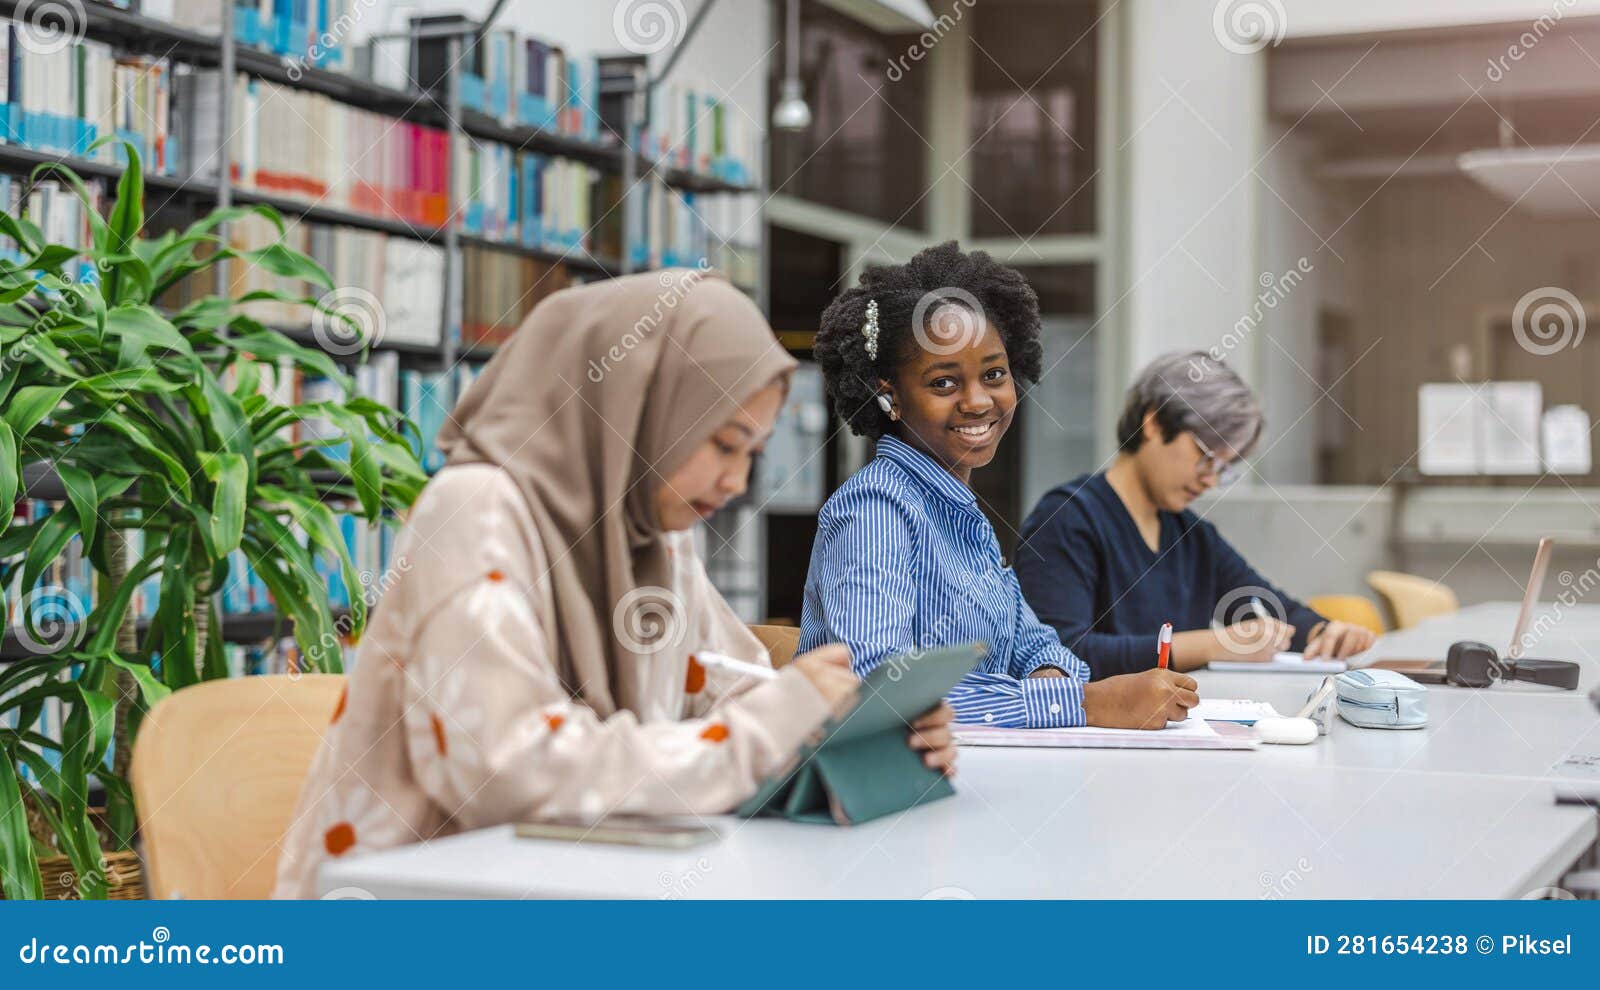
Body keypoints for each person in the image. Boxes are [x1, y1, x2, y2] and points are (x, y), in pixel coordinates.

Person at [273, 271, 957, 898]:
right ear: (637, 408)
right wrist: (772, 725)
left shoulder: (654, 536)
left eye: (753, 452)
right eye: (722, 443)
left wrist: (858, 730)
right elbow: (509, 773)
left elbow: (737, 700)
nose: (737, 482)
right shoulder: (476, 507)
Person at [799, 242, 1197, 730]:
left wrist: (1051, 675)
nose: (978, 401)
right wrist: (1085, 704)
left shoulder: (961, 514)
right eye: (944, 383)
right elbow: (877, 689)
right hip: (908, 799)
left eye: (994, 374)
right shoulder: (876, 509)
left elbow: (1032, 640)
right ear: (891, 398)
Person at [1016, 351, 1376, 678]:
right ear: (1155, 423)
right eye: (1205, 456)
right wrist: (1214, 645)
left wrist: (1324, 633)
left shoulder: (1191, 536)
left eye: (1224, 468)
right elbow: (1060, 654)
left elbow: (1262, 604)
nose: (1210, 480)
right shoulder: (1067, 519)